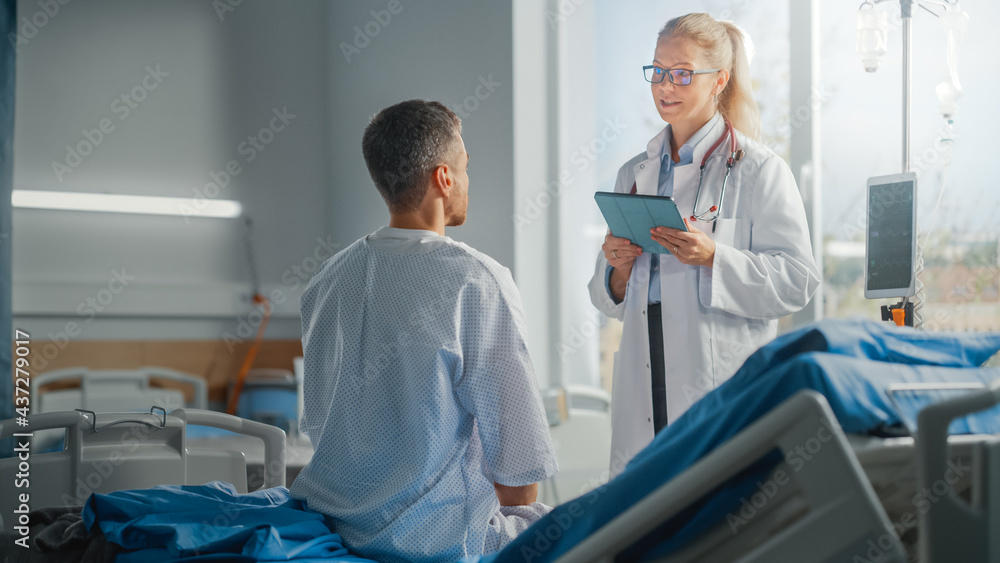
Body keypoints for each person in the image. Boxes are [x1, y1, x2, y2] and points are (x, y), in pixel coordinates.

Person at [291, 100, 558, 563]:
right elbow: (519, 472)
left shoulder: (328, 279)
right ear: (443, 178)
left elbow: (319, 424)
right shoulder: (476, 281)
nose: (468, 180)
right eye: (465, 166)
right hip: (437, 540)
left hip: (334, 524)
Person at [589, 13, 821, 475]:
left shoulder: (758, 170)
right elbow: (607, 297)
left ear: (720, 81)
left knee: (714, 529)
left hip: (715, 384)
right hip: (644, 380)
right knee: (642, 530)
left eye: (681, 73)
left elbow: (799, 281)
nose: (664, 86)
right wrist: (616, 267)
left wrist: (715, 257)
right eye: (657, 71)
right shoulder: (634, 173)